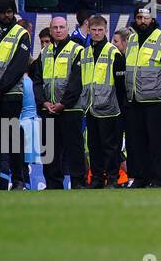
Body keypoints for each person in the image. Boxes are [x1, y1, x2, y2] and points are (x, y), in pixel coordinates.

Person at [124, 5, 161, 188]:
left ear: (153, 20)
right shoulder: (131, 39)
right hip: (135, 100)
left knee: (158, 143)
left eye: (146, 18)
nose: (142, 21)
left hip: (157, 101)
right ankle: (140, 178)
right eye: (139, 17)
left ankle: (158, 179)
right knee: (136, 142)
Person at [29, 15, 86, 190]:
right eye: (55, 28)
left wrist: (63, 103)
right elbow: (37, 81)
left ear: (67, 28)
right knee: (50, 151)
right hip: (49, 109)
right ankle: (53, 184)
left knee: (74, 149)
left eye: (61, 27)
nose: (58, 31)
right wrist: (44, 102)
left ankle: (78, 183)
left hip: (70, 109)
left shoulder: (78, 50)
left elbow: (77, 82)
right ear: (51, 30)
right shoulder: (44, 53)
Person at [77, 16, 125, 188]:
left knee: (110, 146)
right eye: (94, 30)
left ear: (106, 31)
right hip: (90, 106)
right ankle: (97, 178)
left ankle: (113, 179)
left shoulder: (114, 53)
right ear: (88, 30)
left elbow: (121, 86)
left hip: (110, 107)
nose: (97, 33)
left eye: (100, 30)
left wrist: (121, 109)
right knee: (94, 146)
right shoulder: (84, 53)